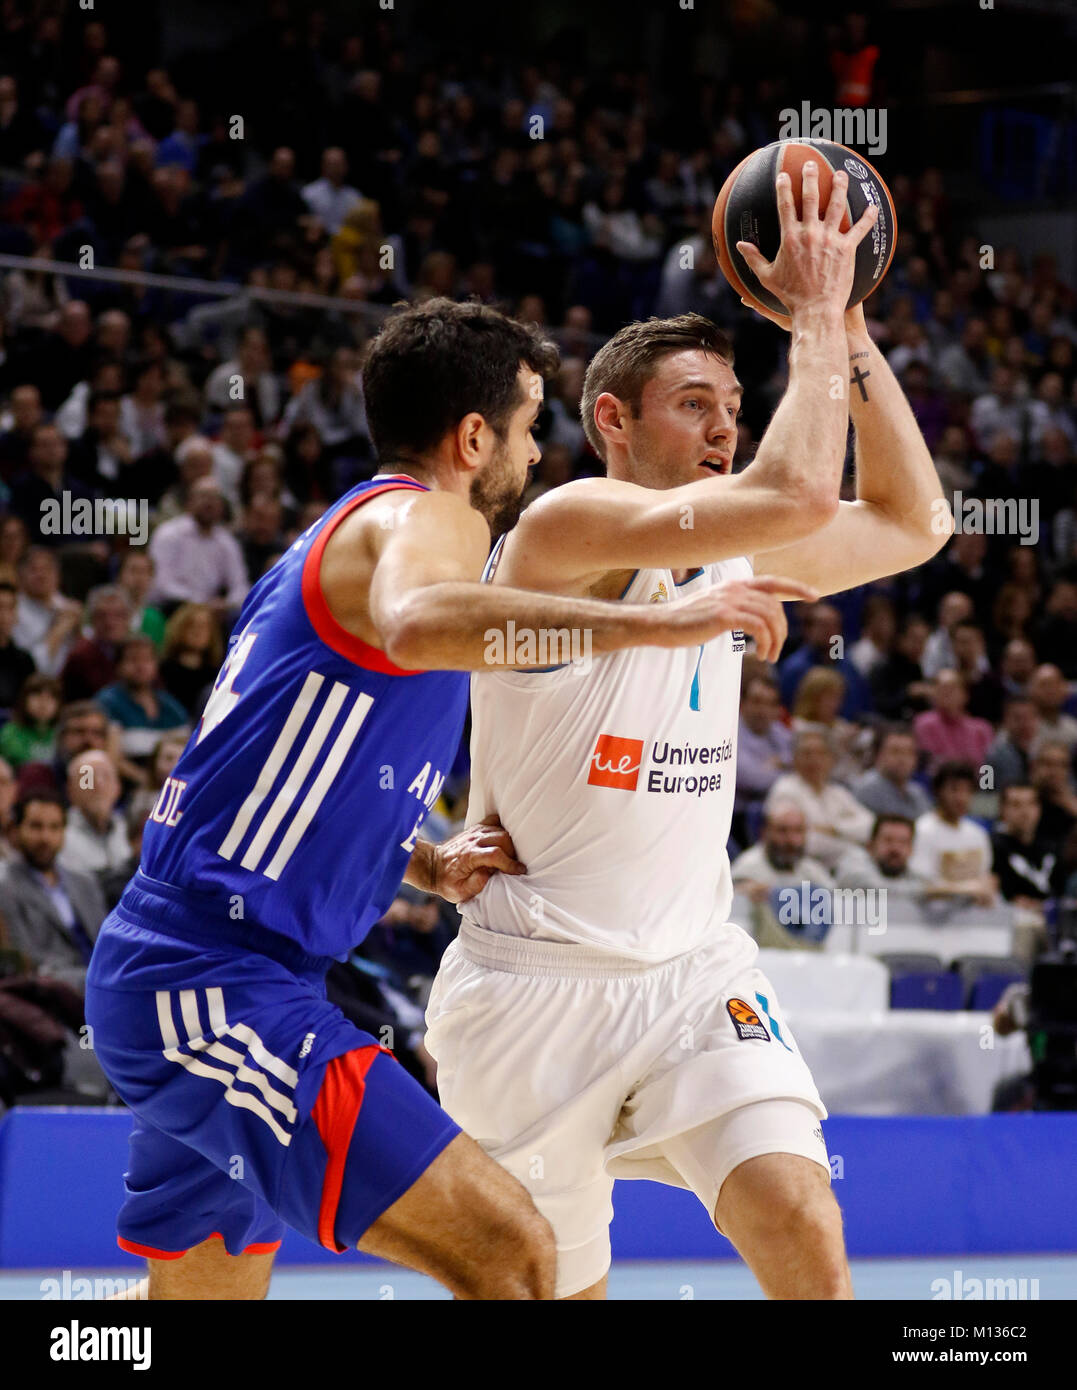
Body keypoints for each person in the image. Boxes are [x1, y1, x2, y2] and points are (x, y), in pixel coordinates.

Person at [83, 297, 763, 1302]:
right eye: (531, 430)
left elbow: (281, 771)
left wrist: (425, 860)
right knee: (515, 1251)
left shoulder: (338, 542)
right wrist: (657, 626)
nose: (535, 459)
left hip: (209, 974)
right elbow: (419, 622)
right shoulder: (422, 517)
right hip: (217, 986)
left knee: (204, 1299)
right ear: (475, 435)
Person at [425, 165, 948, 1300]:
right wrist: (809, 311)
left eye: (735, 410)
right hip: (529, 993)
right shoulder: (563, 525)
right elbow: (803, 491)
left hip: (694, 974)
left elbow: (916, 521)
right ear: (612, 418)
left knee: (801, 1220)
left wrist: (848, 325)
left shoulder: (739, 550)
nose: (725, 429)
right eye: (696, 405)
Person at [0, 790, 108, 993]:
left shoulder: (84, 881)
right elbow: (24, 960)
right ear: (16, 830)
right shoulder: (5, 887)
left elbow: (106, 944)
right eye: (36, 826)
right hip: (52, 991)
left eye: (54, 827)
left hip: (102, 980)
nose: (45, 837)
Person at [765, 730, 875, 874]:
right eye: (807, 753)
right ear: (795, 758)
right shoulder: (785, 789)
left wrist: (834, 829)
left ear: (831, 760)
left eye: (821, 753)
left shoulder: (837, 792)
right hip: (799, 867)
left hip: (840, 866)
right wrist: (850, 841)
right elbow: (801, 841)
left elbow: (870, 825)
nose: (814, 759)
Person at [910, 762, 997, 907]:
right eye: (954, 790)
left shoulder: (978, 834)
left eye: (967, 791)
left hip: (972, 915)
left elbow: (985, 877)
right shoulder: (922, 830)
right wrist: (968, 890)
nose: (961, 798)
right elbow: (923, 885)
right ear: (938, 792)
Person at [852, 727, 931, 821]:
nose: (903, 759)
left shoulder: (917, 792)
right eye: (895, 752)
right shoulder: (866, 789)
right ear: (877, 755)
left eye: (909, 752)